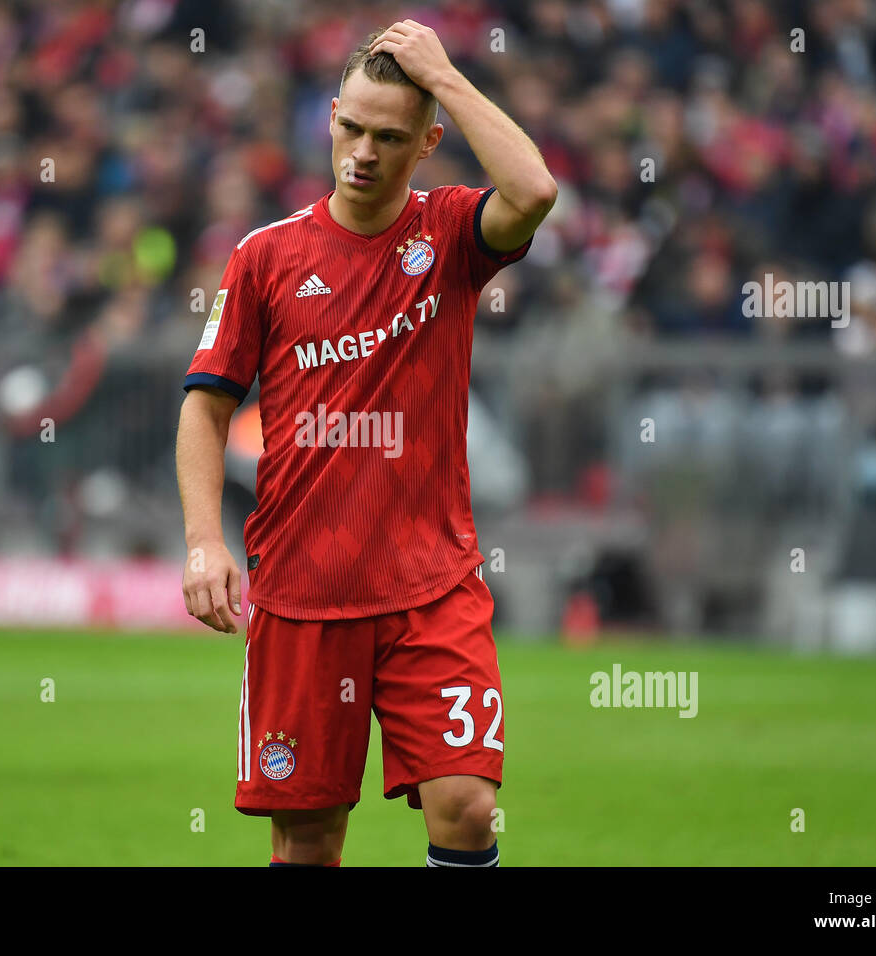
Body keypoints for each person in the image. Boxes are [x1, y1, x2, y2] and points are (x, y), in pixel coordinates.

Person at [175, 20, 556, 867]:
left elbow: (532, 190)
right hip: (303, 595)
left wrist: (446, 75)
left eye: (391, 137)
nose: (364, 152)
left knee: (468, 810)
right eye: (350, 127)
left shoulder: (452, 235)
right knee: (307, 842)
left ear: (428, 143)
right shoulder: (265, 257)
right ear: (331, 119)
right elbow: (204, 409)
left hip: (432, 586)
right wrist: (204, 541)